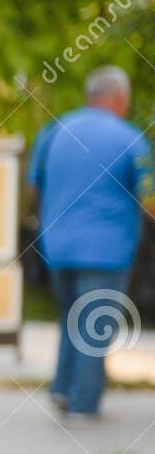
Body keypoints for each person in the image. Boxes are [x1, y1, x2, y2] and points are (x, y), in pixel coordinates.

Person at [28, 65, 155, 421]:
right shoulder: (131, 138)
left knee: (71, 318)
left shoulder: (53, 130)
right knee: (94, 326)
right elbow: (149, 199)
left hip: (58, 245)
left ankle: (63, 389)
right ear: (119, 98)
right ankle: (84, 405)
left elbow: (35, 184)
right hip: (107, 249)